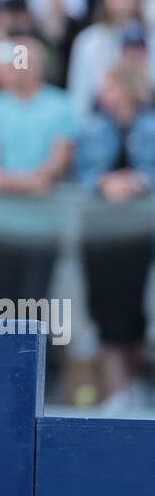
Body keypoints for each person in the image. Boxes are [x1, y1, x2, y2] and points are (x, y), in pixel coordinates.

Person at [0, 32, 77, 309]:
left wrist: (5, 182)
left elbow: (57, 162)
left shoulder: (59, 106)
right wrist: (28, 183)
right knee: (3, 307)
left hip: (41, 229)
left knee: (36, 308)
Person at [73, 60, 155, 410]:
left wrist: (139, 182)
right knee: (104, 307)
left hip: (139, 234)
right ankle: (118, 391)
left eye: (108, 86)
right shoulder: (91, 128)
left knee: (135, 308)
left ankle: (134, 386)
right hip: (101, 233)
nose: (102, 94)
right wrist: (105, 182)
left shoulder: (150, 126)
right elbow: (81, 172)